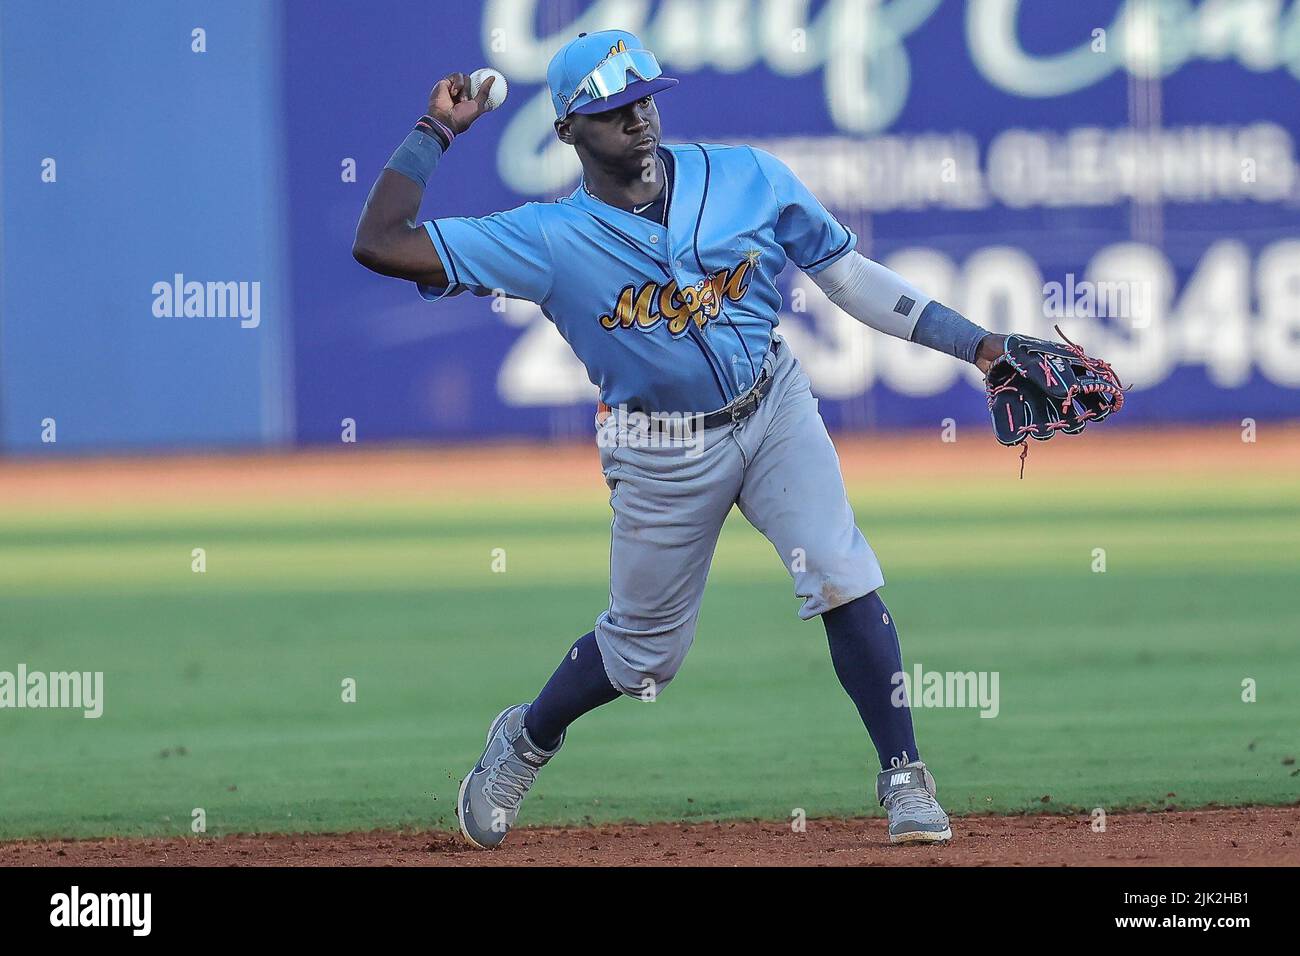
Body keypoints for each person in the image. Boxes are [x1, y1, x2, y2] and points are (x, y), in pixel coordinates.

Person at [354, 29, 1009, 849]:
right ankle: (525, 737)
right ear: (568, 132)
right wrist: (435, 132)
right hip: (659, 448)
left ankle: (905, 776)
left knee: (841, 573)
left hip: (771, 405)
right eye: (613, 109)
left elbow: (849, 277)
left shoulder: (746, 177)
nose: (638, 120)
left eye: (645, 100)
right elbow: (379, 243)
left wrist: (979, 346)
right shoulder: (546, 239)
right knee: (642, 658)